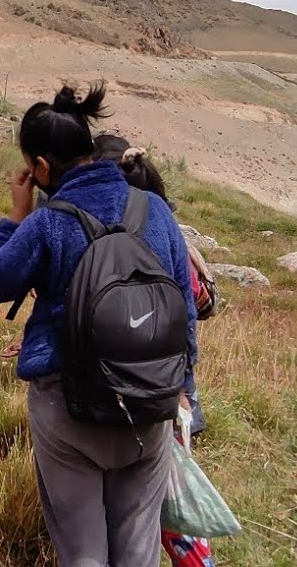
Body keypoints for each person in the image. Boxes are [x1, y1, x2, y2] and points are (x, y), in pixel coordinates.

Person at [0, 85, 197, 567]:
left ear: (39, 167)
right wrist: (182, 386)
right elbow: (183, 302)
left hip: (68, 404)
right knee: (138, 547)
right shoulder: (152, 209)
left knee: (82, 553)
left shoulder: (47, 222)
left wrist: (17, 213)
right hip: (151, 400)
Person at [90, 138, 218, 567]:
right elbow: (190, 309)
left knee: (155, 504)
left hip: (143, 388)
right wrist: (185, 381)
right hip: (171, 382)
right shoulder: (168, 232)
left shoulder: (121, 234)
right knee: (163, 498)